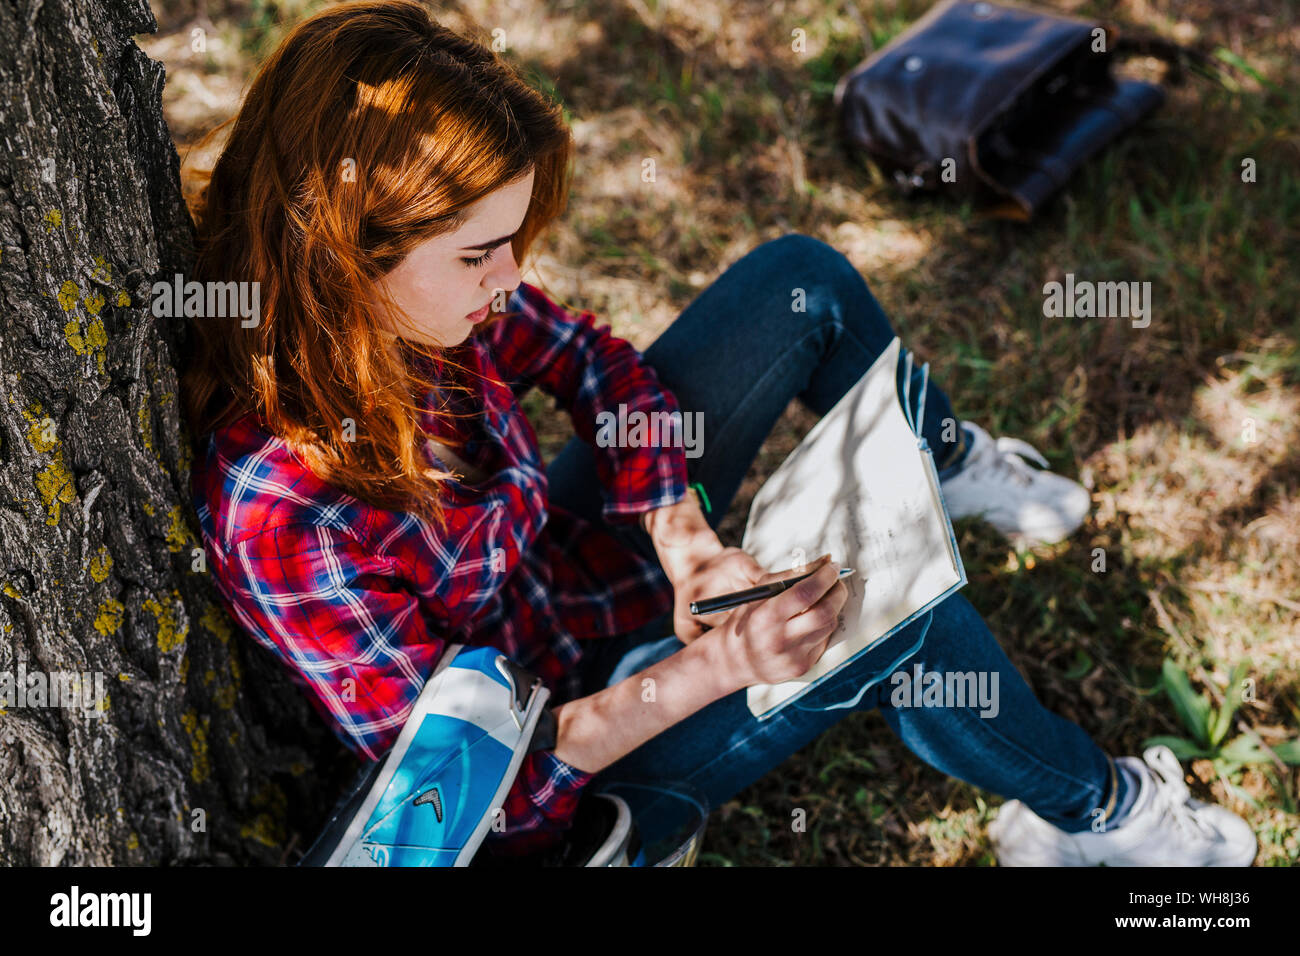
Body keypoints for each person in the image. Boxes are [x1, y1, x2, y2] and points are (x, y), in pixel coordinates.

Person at [180, 0, 1256, 866]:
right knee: (890, 610)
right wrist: (716, 668)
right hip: (585, 755)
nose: (511, 280)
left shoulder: (423, 304)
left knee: (802, 281)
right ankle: (1105, 819)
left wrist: (682, 531)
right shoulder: (286, 513)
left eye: (512, 243)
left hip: (575, 578)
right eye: (480, 254)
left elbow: (589, 362)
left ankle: (937, 453)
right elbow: (490, 800)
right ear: (344, 247)